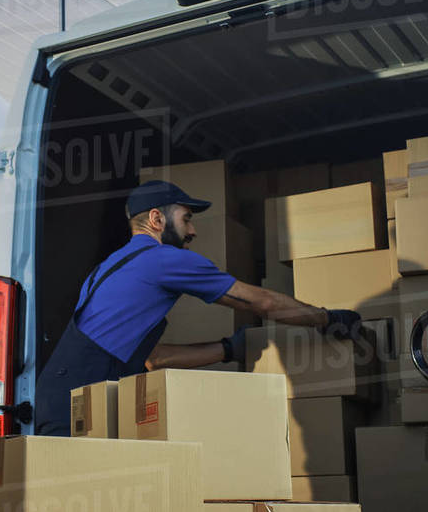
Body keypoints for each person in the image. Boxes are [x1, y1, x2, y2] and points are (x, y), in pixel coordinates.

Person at [33, 180, 362, 436]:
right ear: (157, 218)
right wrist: (327, 318)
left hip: (59, 398)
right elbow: (259, 302)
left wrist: (226, 350)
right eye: (186, 218)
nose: (192, 231)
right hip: (83, 404)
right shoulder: (163, 260)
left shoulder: (108, 267)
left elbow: (153, 358)